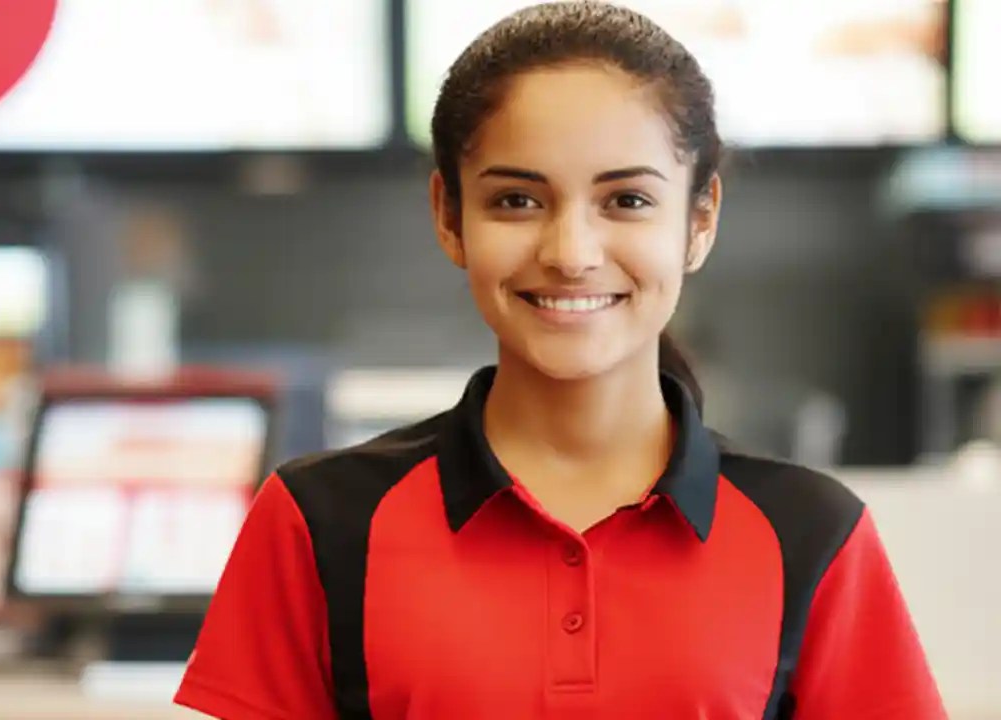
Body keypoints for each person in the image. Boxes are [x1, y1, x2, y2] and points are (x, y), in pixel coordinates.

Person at [174, 2, 946, 718]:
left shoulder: (812, 533)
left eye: (627, 201)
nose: (571, 253)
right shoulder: (317, 521)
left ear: (700, 220)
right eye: (517, 200)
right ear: (450, 216)